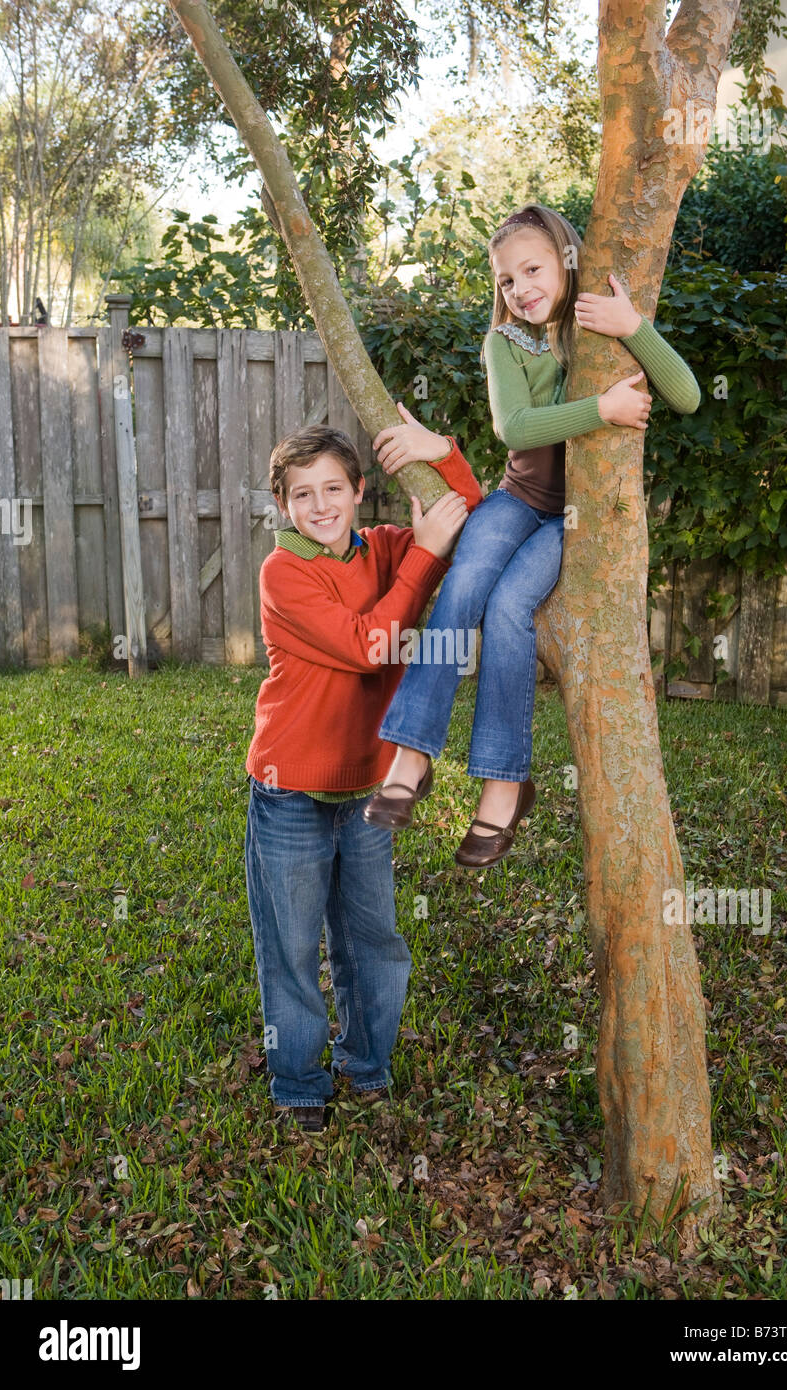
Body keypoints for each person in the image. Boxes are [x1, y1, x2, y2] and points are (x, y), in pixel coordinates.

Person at [364, 202, 701, 868]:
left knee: (511, 606)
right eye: (507, 280)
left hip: (575, 517)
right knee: (462, 588)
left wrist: (633, 325)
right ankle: (410, 752)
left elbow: (686, 395)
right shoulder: (503, 344)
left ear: (566, 260)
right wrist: (601, 410)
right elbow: (515, 430)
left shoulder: (595, 329)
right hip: (517, 500)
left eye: (533, 269)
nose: (520, 289)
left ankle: (503, 786)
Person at [244, 422, 481, 1132]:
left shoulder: (382, 549)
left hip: (370, 789)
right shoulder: (283, 573)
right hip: (291, 789)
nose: (320, 506)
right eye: (302, 494)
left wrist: (436, 447)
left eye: (334, 489)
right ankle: (298, 1085)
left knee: (373, 941)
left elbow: (461, 501)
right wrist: (427, 556)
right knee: (289, 947)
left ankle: (367, 1066)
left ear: (358, 491)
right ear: (283, 505)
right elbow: (370, 645)